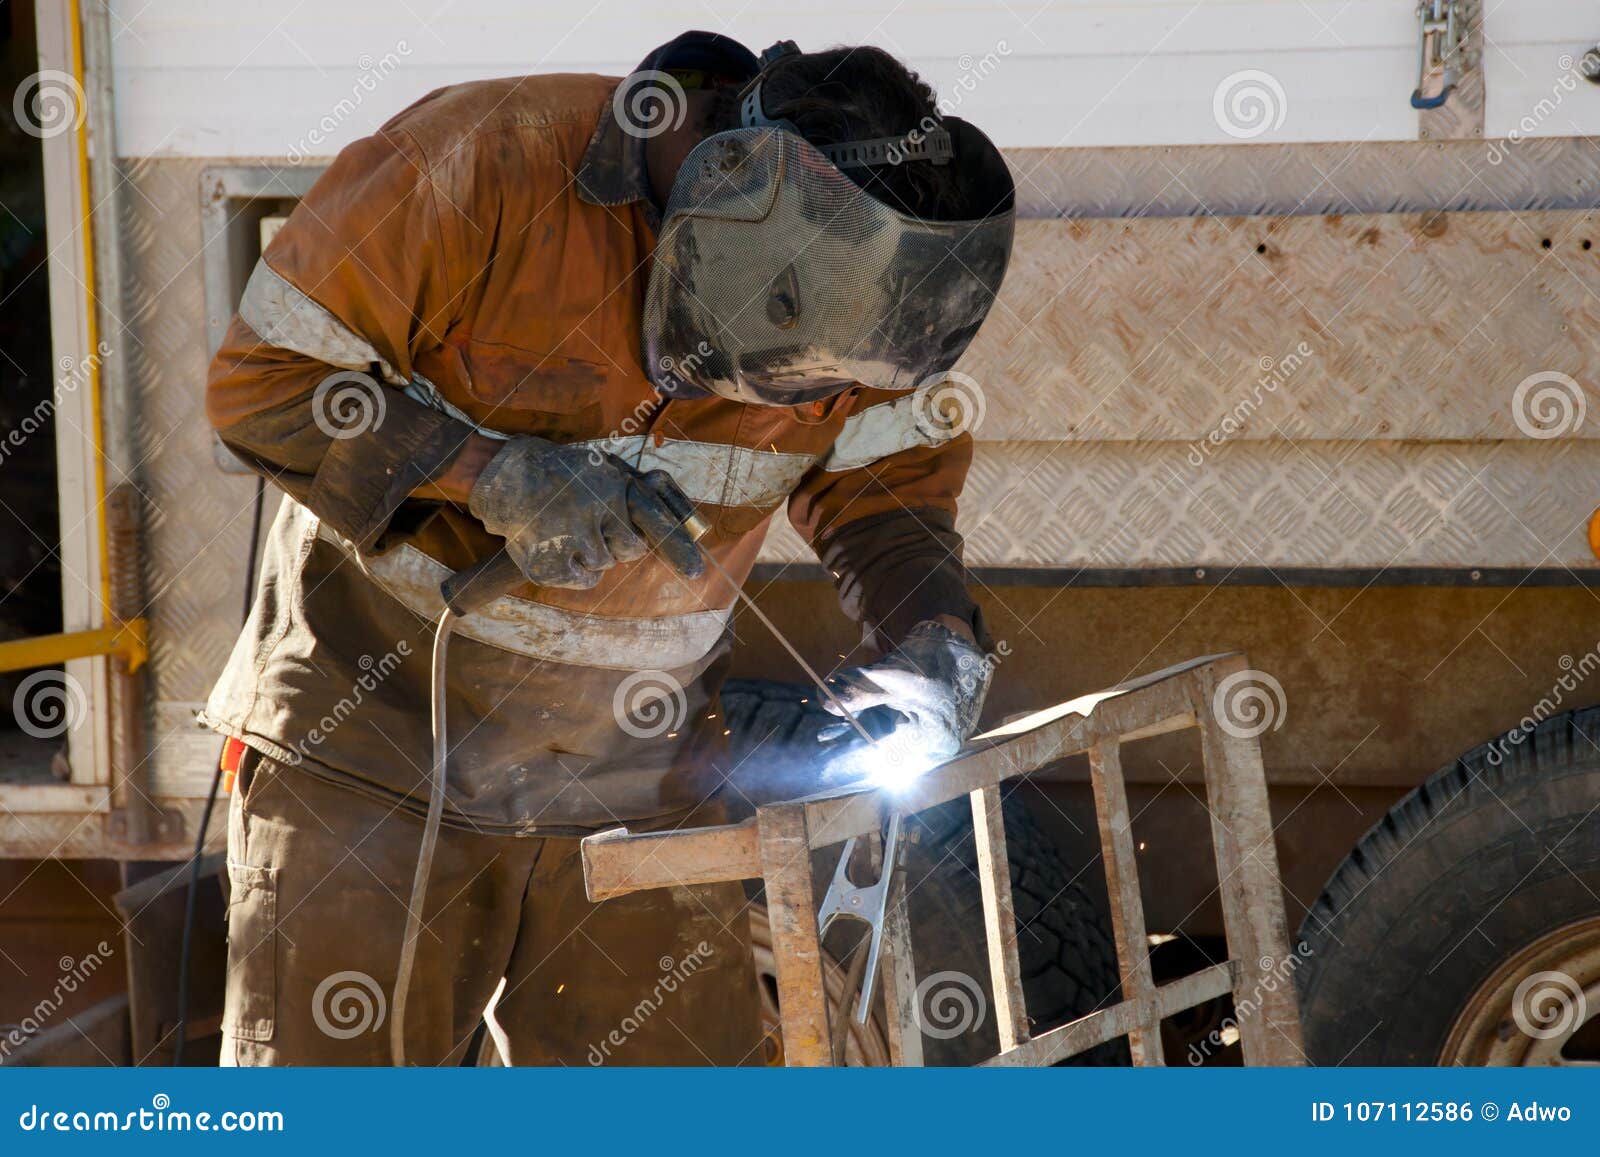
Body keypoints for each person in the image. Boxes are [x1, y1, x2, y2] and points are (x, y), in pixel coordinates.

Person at [202, 30, 1015, 1066]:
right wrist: (489, 473)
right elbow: (260, 386)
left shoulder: (872, 279)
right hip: (376, 747)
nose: (820, 407)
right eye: (802, 376)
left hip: (643, 768)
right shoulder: (485, 164)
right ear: (726, 211)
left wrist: (930, 636)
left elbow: (884, 491)